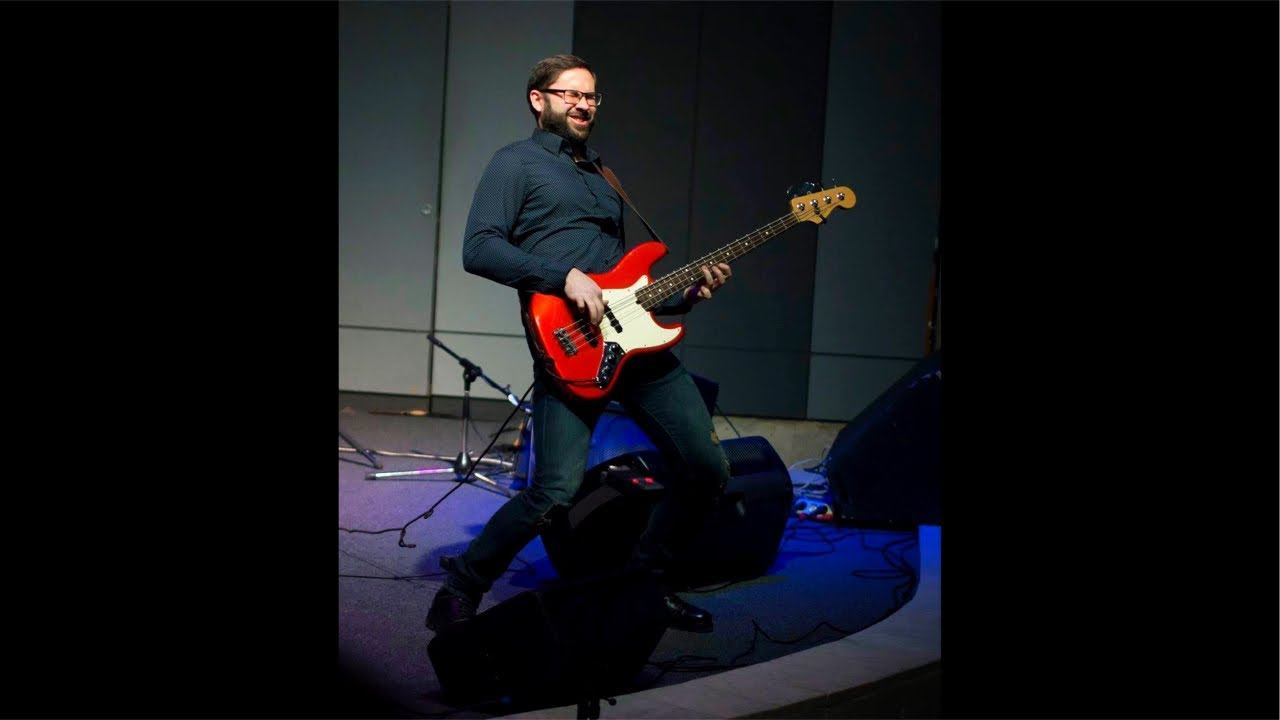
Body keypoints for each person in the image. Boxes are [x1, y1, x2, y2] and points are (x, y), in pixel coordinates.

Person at [426, 54, 734, 635]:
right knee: (554, 492)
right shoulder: (514, 163)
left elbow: (622, 285)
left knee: (705, 466)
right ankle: (461, 586)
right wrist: (562, 275)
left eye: (591, 96)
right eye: (571, 94)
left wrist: (686, 294)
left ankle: (646, 583)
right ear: (538, 99)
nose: (583, 104)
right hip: (570, 347)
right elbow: (479, 248)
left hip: (638, 351)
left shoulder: (601, 174)